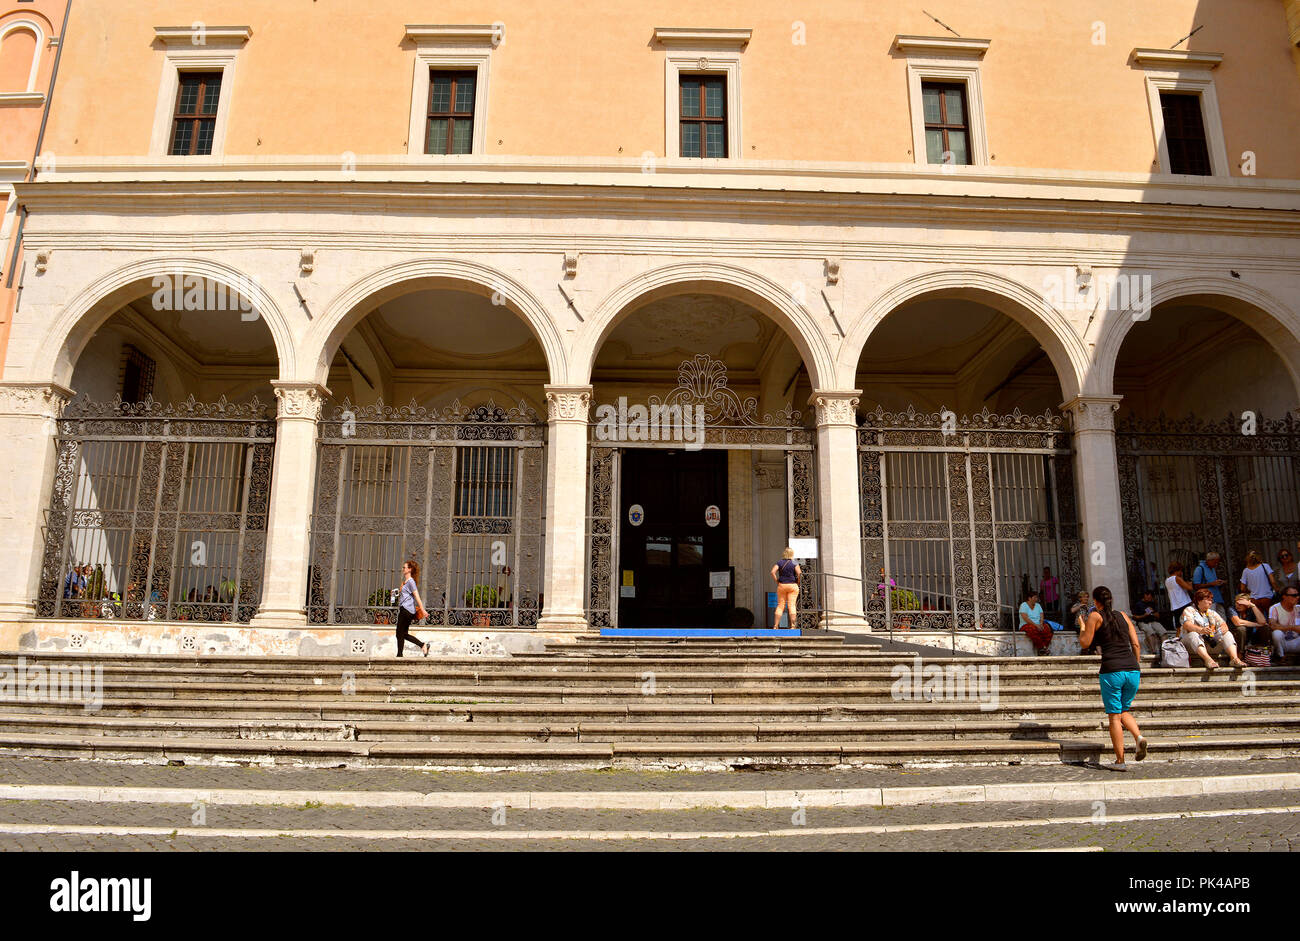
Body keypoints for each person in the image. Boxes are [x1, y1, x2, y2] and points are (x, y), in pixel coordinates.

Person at [1078, 586, 1147, 772]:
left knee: (1114, 717)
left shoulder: (1095, 616)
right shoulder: (1123, 616)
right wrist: (1136, 664)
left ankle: (1120, 760)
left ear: (1096, 601)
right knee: (1124, 709)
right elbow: (1136, 643)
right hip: (1132, 670)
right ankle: (1138, 737)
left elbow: (1085, 642)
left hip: (1112, 670)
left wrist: (1083, 626)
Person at [1180, 588, 1247, 669]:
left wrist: (1221, 630)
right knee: (1193, 634)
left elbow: (1223, 624)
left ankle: (1234, 659)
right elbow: (1187, 625)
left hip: (1210, 643)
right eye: (1208, 599)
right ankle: (1208, 660)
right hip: (1191, 645)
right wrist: (1201, 630)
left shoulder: (1212, 613)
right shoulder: (1189, 610)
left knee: (1227, 634)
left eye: (1211, 599)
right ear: (1199, 600)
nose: (1210, 602)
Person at [395, 560, 430, 658]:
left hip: (406, 610)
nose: (403, 569)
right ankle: (423, 645)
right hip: (405, 609)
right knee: (403, 634)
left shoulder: (411, 581)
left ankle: (399, 655)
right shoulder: (405, 582)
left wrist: (423, 610)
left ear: (409, 569)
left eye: (404, 567)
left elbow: (417, 596)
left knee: (399, 633)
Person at [1230, 593, 1273, 667]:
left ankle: (1265, 655)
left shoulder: (1251, 609)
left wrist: (1253, 605)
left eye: (1241, 603)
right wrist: (1256, 624)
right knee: (1241, 628)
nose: (1238, 605)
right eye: (1237, 603)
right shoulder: (1232, 609)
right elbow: (1237, 622)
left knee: (1265, 628)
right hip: (1237, 638)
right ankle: (1240, 655)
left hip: (1251, 636)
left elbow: (1263, 622)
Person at [1239, 550, 1277, 620]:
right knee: (1272, 618)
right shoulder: (1265, 566)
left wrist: (1250, 590)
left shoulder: (1246, 571)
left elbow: (1242, 588)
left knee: (1260, 619)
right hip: (1267, 597)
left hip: (1254, 599)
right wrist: (1277, 590)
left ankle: (1262, 630)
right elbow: (1273, 581)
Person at [1191, 551, 1228, 622]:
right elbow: (1196, 586)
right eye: (1215, 562)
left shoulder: (1212, 568)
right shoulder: (1200, 569)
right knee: (1211, 618)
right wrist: (1212, 584)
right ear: (1209, 561)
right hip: (1207, 598)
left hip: (1217, 598)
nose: (1216, 564)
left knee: (1222, 617)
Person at [1267, 586, 1300, 662]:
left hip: (1297, 641)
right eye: (1294, 595)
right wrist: (1293, 627)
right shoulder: (1275, 608)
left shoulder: (1299, 608)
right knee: (1276, 633)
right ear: (1284, 597)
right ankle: (1281, 657)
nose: (1297, 597)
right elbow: (1273, 626)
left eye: (1298, 595)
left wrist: (1281, 626)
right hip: (1283, 643)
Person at [771, 548, 801, 628]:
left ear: (784, 553)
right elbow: (799, 573)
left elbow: (773, 572)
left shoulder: (780, 562)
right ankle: (793, 625)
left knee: (780, 605)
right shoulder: (794, 562)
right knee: (792, 605)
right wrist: (798, 582)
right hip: (792, 585)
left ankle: (775, 625)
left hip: (782, 585)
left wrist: (777, 581)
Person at [1130, 589, 1166, 654]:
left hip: (1153, 621)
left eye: (1151, 597)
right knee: (1150, 632)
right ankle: (1153, 651)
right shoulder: (1138, 604)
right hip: (1143, 622)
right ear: (1145, 595)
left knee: (1163, 632)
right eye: (1149, 597)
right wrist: (1144, 615)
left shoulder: (1152, 603)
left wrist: (1152, 613)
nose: (1150, 599)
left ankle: (1165, 650)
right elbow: (1135, 617)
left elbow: (1158, 615)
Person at [1018, 588, 1052, 655]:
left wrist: (1041, 624)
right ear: (1029, 598)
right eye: (1035, 597)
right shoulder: (1023, 605)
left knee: (1047, 629)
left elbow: (1041, 615)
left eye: (1037, 598)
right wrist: (1036, 625)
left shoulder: (1038, 605)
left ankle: (1044, 648)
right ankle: (1042, 648)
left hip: (1038, 624)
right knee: (1033, 630)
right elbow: (1025, 618)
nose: (1036, 599)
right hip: (1026, 624)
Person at [1165, 561, 1194, 625]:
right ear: (1177, 570)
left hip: (1175, 606)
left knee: (1179, 626)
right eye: (1181, 571)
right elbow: (1189, 588)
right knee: (1189, 624)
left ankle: (1178, 635)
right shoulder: (1177, 578)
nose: (1181, 573)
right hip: (1184, 604)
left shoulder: (1167, 580)